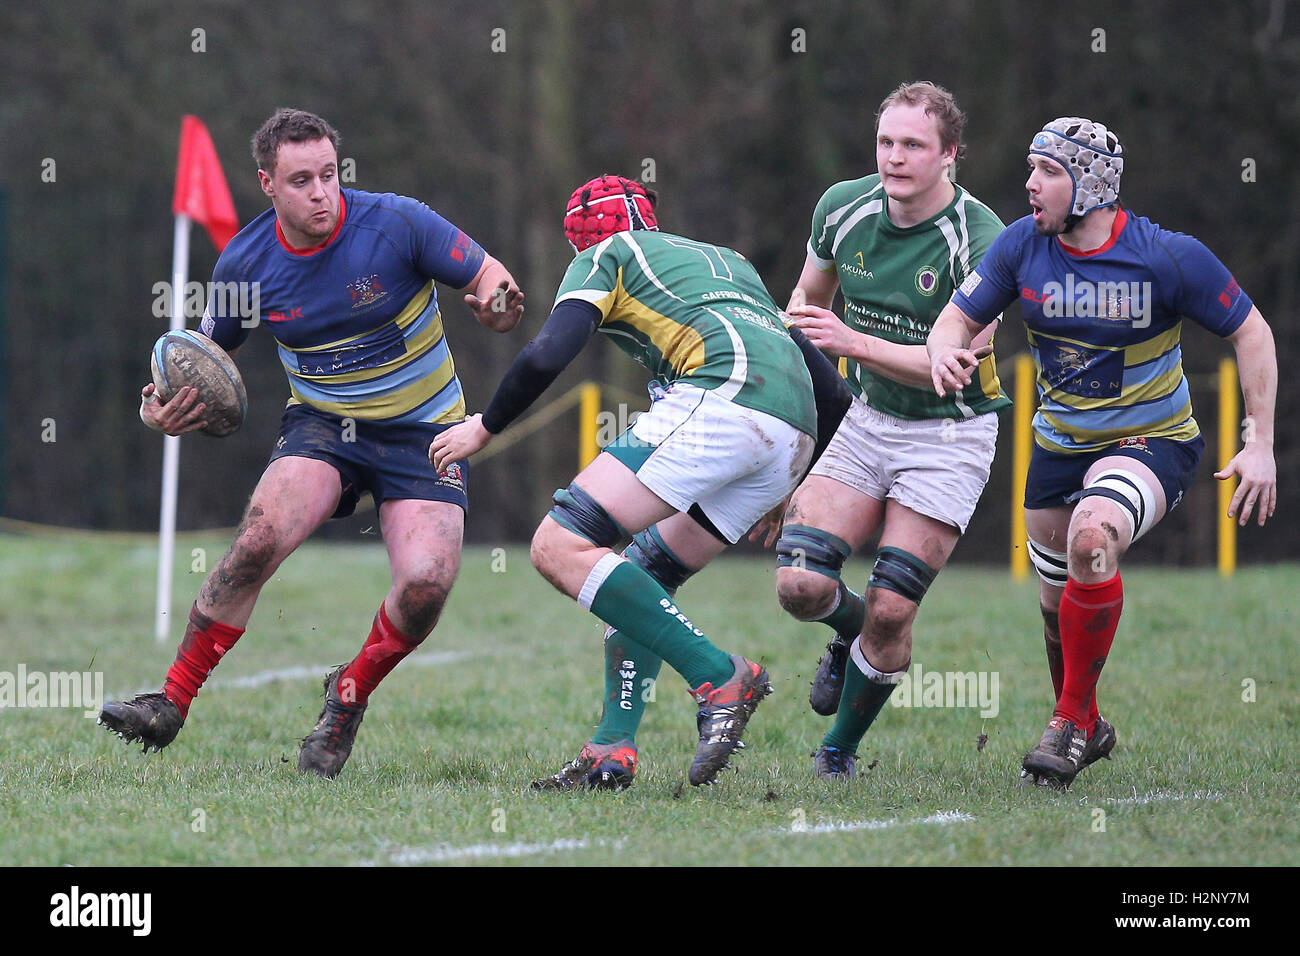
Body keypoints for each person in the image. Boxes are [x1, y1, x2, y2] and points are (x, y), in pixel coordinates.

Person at [99, 108, 525, 778]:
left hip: (426, 432)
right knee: (255, 544)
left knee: (426, 585)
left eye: (329, 174)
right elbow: (201, 360)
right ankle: (169, 702)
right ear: (267, 183)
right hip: (324, 427)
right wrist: (162, 406)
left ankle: (346, 697)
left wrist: (498, 303)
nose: (322, 191)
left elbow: (492, 281)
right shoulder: (247, 261)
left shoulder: (397, 223)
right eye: (302, 180)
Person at [430, 174, 851, 789]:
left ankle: (720, 675)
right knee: (645, 573)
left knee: (558, 543)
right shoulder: (726, 263)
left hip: (726, 397)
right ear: (648, 218)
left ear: (579, 242)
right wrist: (788, 481)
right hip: (796, 432)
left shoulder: (606, 255)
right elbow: (834, 395)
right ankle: (611, 750)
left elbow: (549, 353)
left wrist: (484, 429)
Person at [928, 116, 1277, 789]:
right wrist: (945, 347)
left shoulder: (1167, 255)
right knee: (1058, 603)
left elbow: (1252, 331)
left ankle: (1065, 726)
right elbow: (957, 316)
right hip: (1059, 446)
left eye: (1049, 172)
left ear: (1089, 185)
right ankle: (1087, 722)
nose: (1030, 184)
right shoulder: (1019, 248)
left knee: (1094, 539)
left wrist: (1259, 442)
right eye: (1031, 168)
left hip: (1153, 442)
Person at [754, 81, 1009, 780]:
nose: (894, 158)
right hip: (866, 421)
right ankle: (847, 634)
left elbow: (950, 369)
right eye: (886, 142)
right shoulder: (843, 207)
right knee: (799, 586)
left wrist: (850, 342)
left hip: (950, 434)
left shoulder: (984, 238)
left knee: (894, 612)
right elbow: (803, 313)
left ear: (950, 154)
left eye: (913, 145)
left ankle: (837, 752)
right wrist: (788, 452)